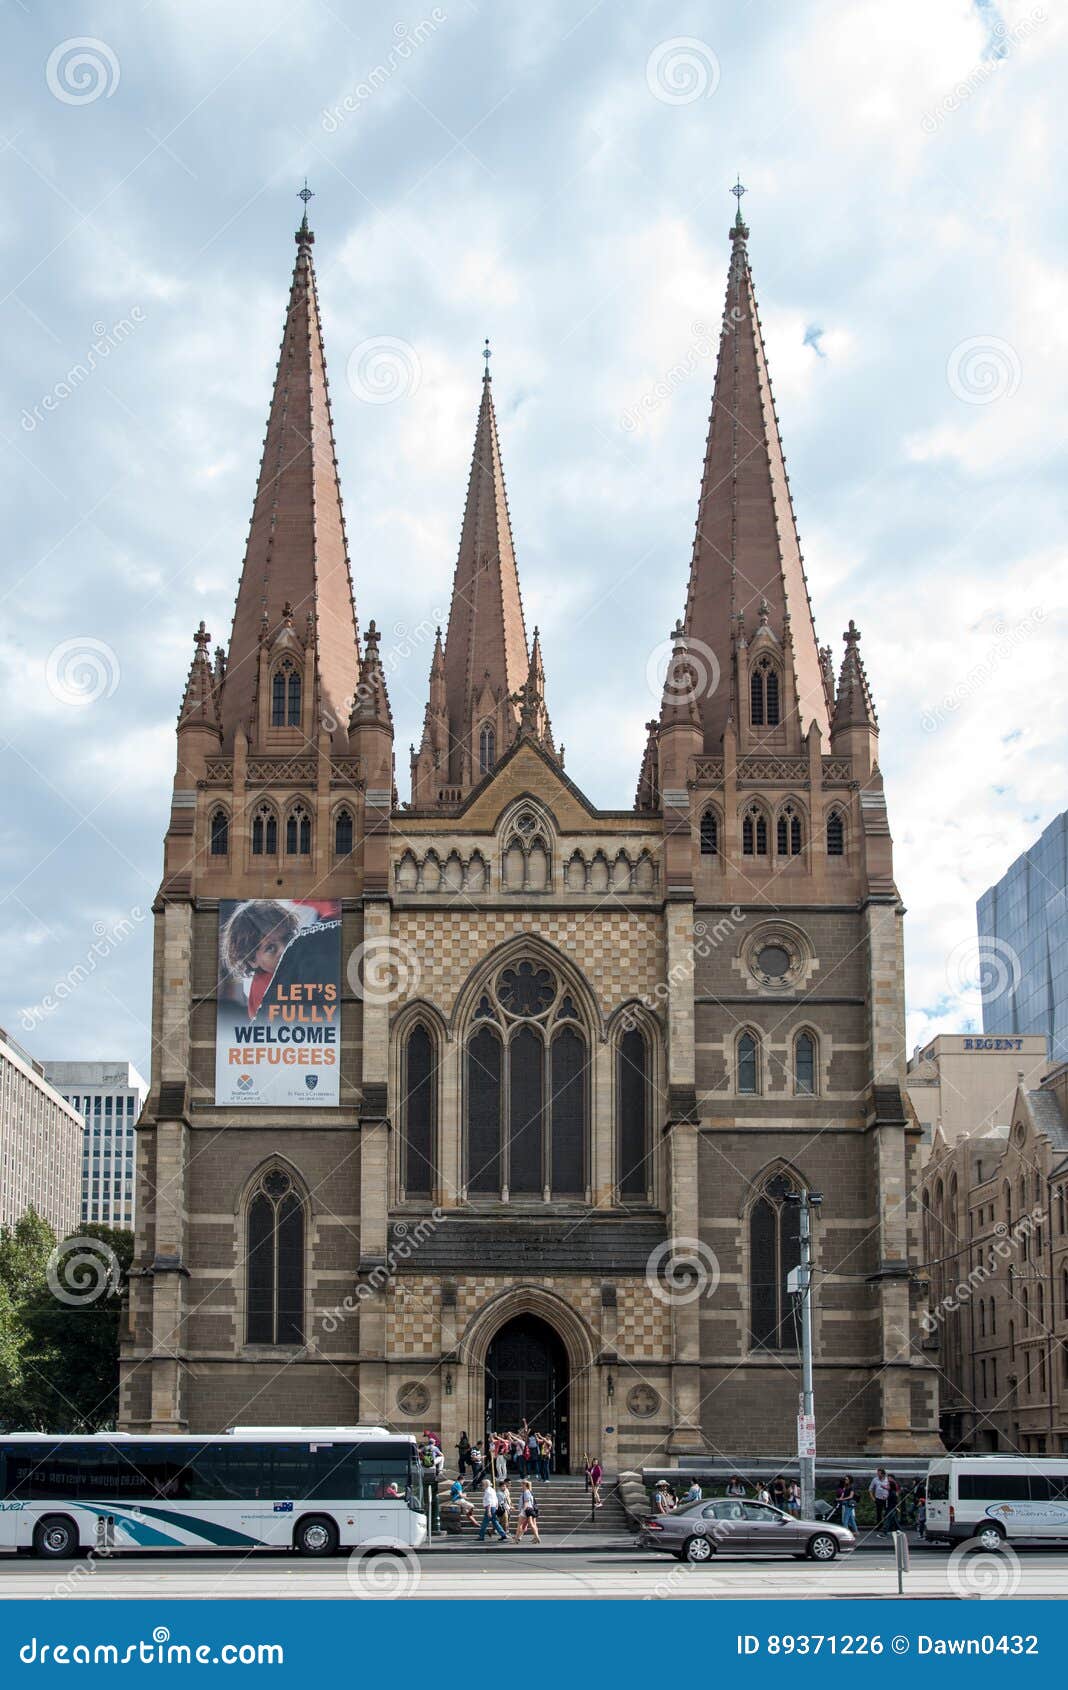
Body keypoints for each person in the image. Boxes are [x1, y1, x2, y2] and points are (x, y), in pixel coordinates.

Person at [478, 1476, 508, 1541]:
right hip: (493, 1507)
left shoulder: (487, 1491)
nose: (482, 1486)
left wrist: (488, 1511)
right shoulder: (492, 1490)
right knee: (495, 1522)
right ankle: (503, 1534)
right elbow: (496, 1500)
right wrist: (496, 1507)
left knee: (484, 1523)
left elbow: (489, 1501)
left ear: (485, 1485)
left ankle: (481, 1536)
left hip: (490, 1508)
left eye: (483, 1484)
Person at [515, 1478, 541, 1545]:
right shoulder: (529, 1491)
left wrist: (522, 1511)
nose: (521, 1486)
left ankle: (516, 1540)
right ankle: (536, 1537)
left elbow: (526, 1502)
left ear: (525, 1485)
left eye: (522, 1485)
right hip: (530, 1510)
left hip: (525, 1510)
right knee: (532, 1524)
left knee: (520, 1525)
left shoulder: (526, 1492)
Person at [869, 1467, 890, 1531]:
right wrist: (873, 1498)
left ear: (883, 1474)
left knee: (887, 1512)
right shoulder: (875, 1479)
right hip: (878, 1498)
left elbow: (891, 1488)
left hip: (886, 1499)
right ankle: (879, 1525)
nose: (878, 1474)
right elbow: (870, 1489)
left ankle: (887, 1525)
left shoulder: (887, 1480)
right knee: (879, 1513)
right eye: (877, 1473)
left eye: (879, 1473)